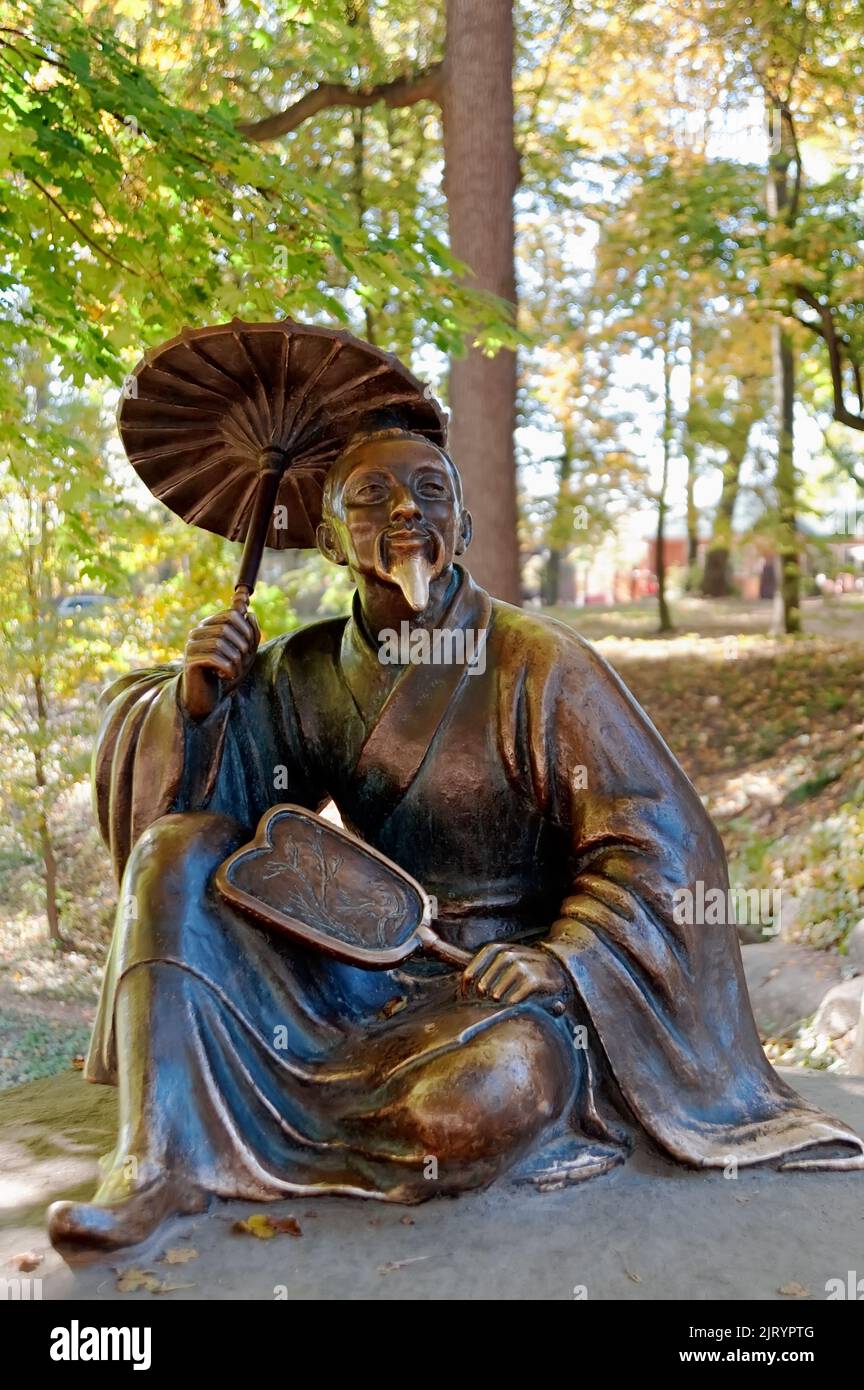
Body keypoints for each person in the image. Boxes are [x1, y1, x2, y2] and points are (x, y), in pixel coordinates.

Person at [48, 421, 863, 1260]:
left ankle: (304, 1125)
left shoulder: (538, 663)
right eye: (371, 495)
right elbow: (232, 841)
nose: (406, 508)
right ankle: (164, 1156)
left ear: (462, 530)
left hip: (500, 987)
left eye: (430, 491)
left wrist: (564, 955)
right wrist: (200, 707)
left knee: (479, 1103)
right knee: (174, 852)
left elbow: (662, 843)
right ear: (332, 541)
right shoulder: (305, 671)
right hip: (355, 966)